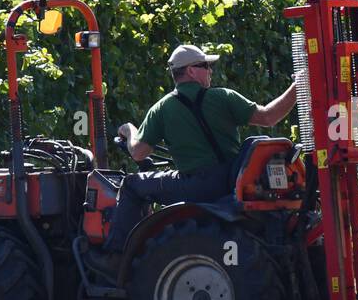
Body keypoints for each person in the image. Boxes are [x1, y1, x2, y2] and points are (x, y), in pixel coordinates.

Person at [87, 44, 297, 272]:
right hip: (232, 181)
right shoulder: (224, 97)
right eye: (206, 66)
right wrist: (298, 87)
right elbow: (269, 117)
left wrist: (129, 130)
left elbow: (138, 152)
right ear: (191, 71)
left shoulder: (163, 109)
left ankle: (116, 257)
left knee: (131, 185)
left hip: (194, 185)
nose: (210, 71)